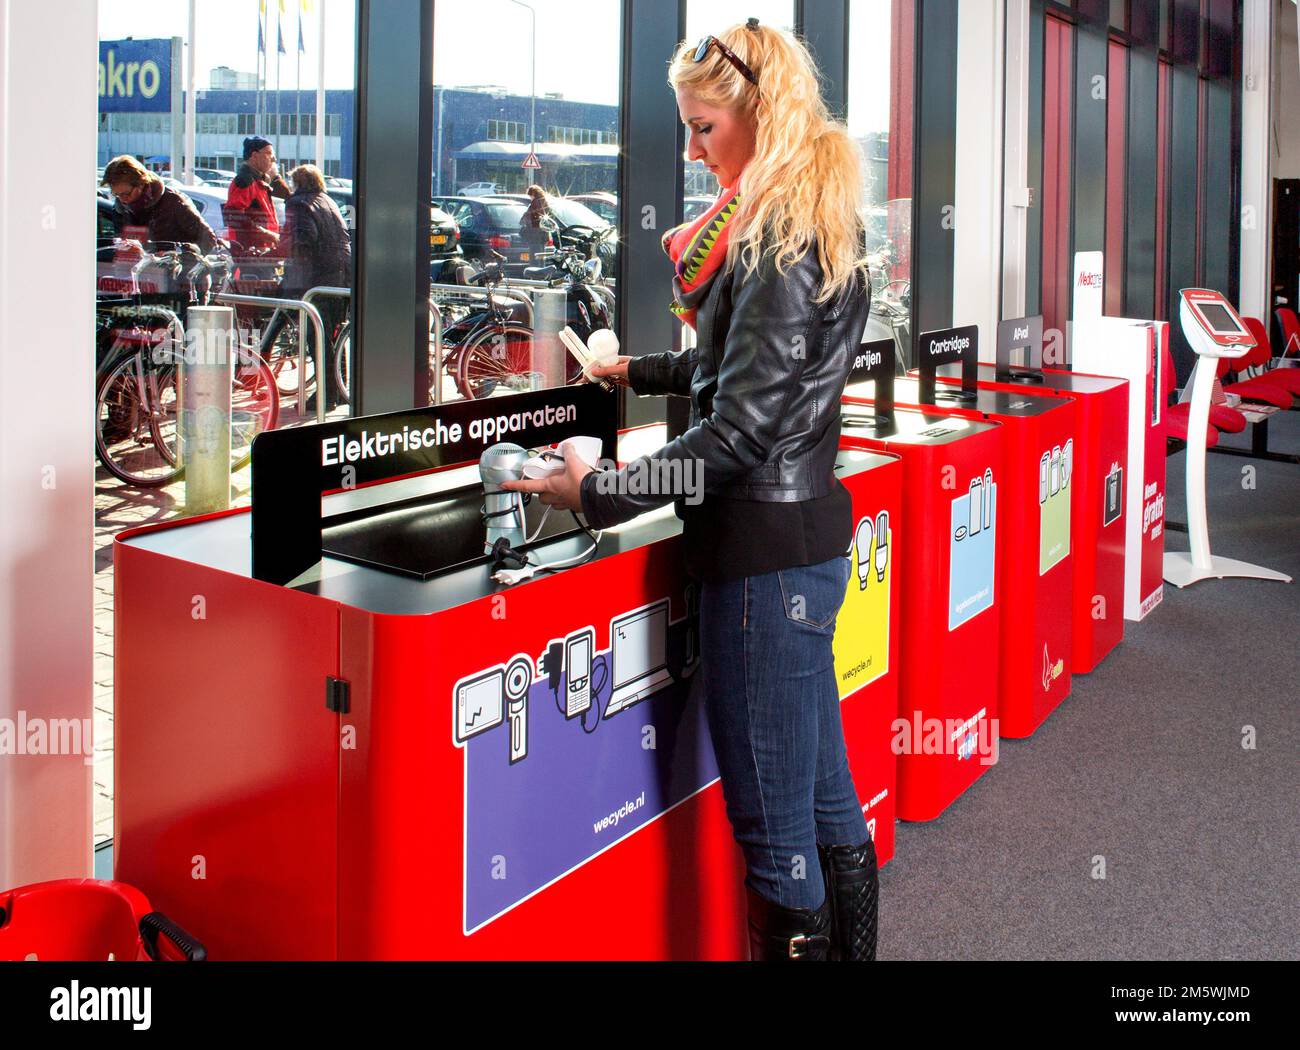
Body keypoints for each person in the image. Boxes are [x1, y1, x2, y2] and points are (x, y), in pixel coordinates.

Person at [502, 19, 879, 962]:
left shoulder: (773, 239)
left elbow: (742, 431)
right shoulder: (803, 215)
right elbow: (741, 369)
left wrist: (602, 492)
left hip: (758, 565)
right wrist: (634, 371)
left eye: (704, 126)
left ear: (760, 112)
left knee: (776, 845)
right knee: (830, 803)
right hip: (802, 546)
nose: (693, 146)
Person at [276, 163, 352, 409]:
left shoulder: (299, 204)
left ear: (298, 183)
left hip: (316, 278)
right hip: (340, 276)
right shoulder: (328, 201)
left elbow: (303, 239)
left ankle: (325, 395)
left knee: (316, 338)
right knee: (332, 335)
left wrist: (291, 268)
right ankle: (338, 389)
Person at [102, 154, 222, 254]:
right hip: (139, 277)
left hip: (179, 279)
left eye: (126, 194)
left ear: (141, 183)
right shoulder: (120, 208)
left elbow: (208, 239)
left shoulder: (173, 201)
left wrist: (178, 258)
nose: (123, 200)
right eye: (116, 194)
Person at [225, 136, 291, 254]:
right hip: (249, 252)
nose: (274, 158)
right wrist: (266, 234)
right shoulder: (245, 180)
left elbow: (287, 196)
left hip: (259, 251)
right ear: (254, 155)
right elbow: (233, 215)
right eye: (269, 153)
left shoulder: (260, 181)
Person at [518, 184, 559, 254]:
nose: (530, 197)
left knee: (534, 256)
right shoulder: (544, 203)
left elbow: (526, 218)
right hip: (543, 234)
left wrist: (523, 220)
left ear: (533, 194)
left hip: (534, 234)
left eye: (530, 195)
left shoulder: (534, 204)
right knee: (541, 255)